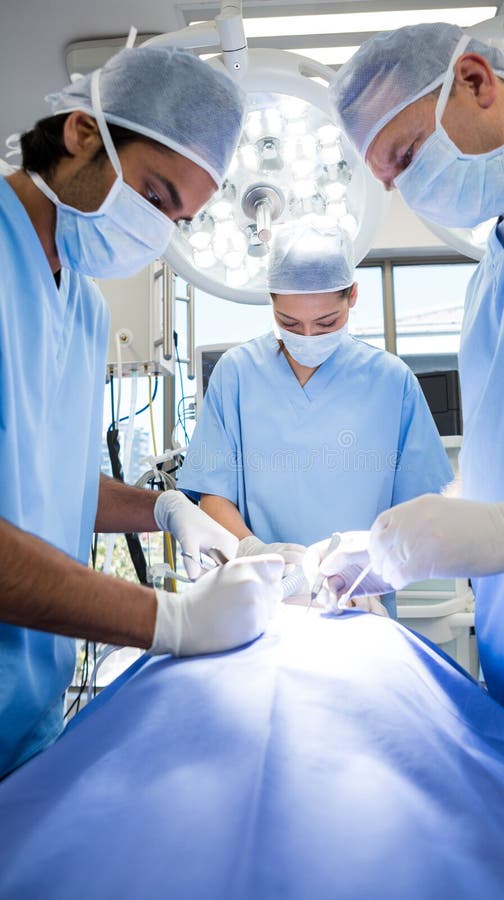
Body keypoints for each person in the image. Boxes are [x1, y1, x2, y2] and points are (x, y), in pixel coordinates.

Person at [312, 22, 504, 806]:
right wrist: (399, 541)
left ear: (476, 81)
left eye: (404, 156)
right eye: (390, 180)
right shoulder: (492, 271)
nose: (405, 188)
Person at [0, 45, 285, 781]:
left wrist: (161, 509)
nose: (159, 231)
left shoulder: (84, 308)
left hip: (25, 714)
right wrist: (170, 623)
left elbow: (48, 480)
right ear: (83, 133)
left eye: (180, 219)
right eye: (156, 197)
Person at [177, 219, 453, 617]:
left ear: (352, 296)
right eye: (289, 323)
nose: (307, 336)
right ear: (271, 301)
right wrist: (256, 555)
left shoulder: (392, 382)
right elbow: (213, 497)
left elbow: (422, 511)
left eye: (326, 323)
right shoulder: (236, 374)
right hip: (265, 606)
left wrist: (372, 572)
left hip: (361, 608)